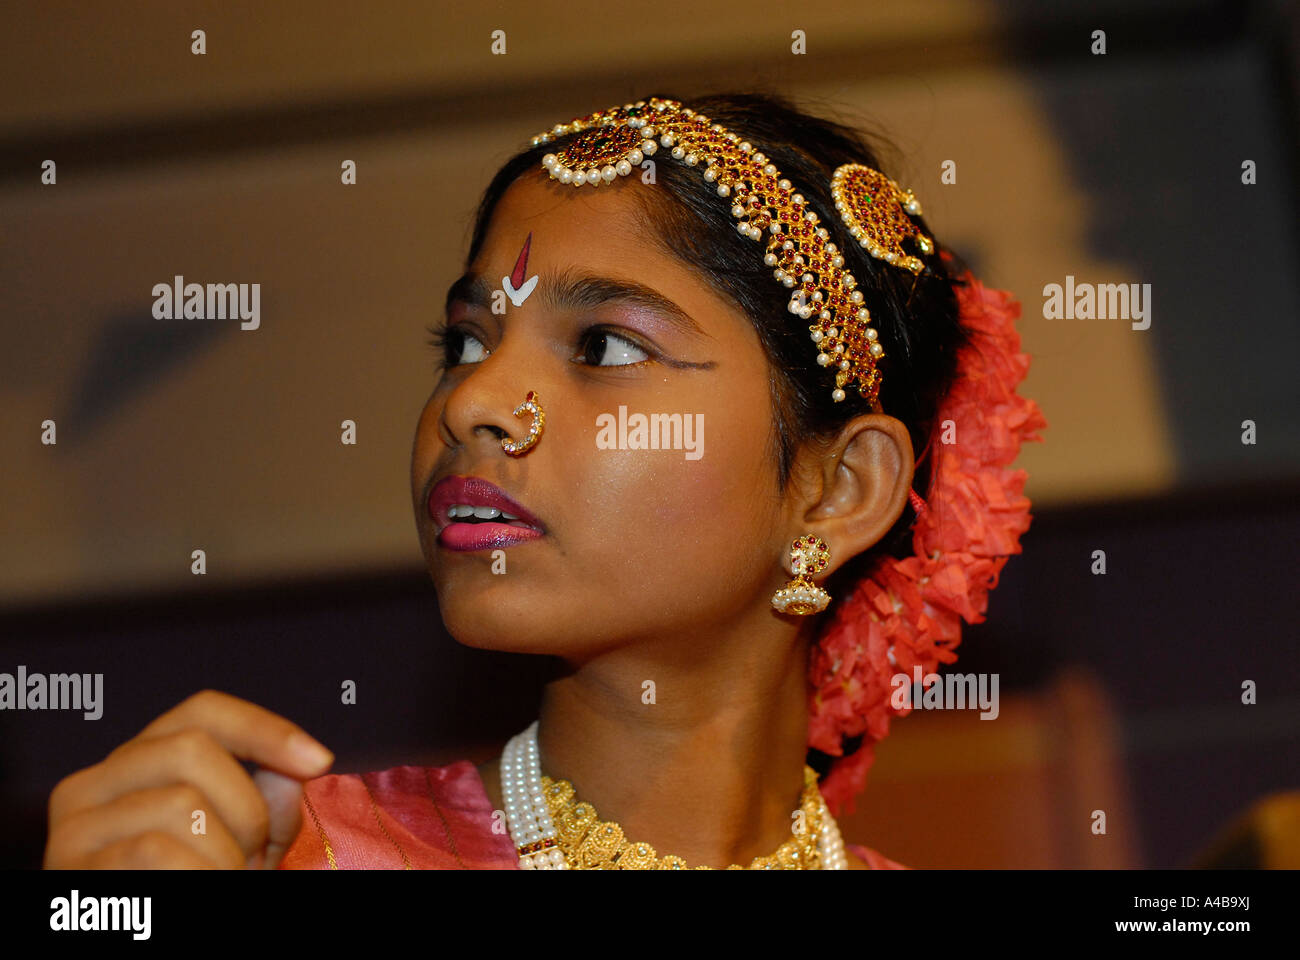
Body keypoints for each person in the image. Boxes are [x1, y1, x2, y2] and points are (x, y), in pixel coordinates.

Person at [43, 92, 1045, 871]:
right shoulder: (292, 855)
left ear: (836, 492)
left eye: (604, 347)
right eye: (465, 340)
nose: (474, 398)